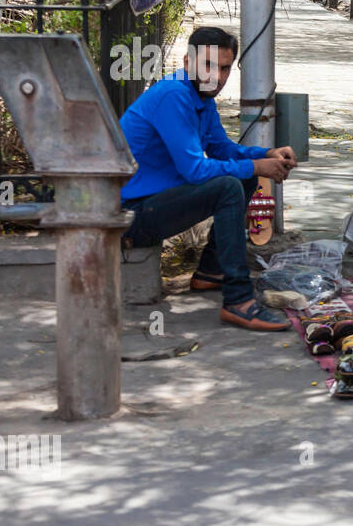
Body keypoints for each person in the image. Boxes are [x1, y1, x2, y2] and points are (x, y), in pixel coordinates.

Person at [119, 26, 301, 331]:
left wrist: (267, 153)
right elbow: (195, 171)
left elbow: (221, 148)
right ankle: (239, 301)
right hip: (129, 217)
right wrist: (257, 167)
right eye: (209, 65)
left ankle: (210, 272)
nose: (217, 76)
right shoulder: (174, 95)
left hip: (155, 203)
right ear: (188, 61)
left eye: (225, 67)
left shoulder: (200, 94)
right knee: (231, 184)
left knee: (240, 176)